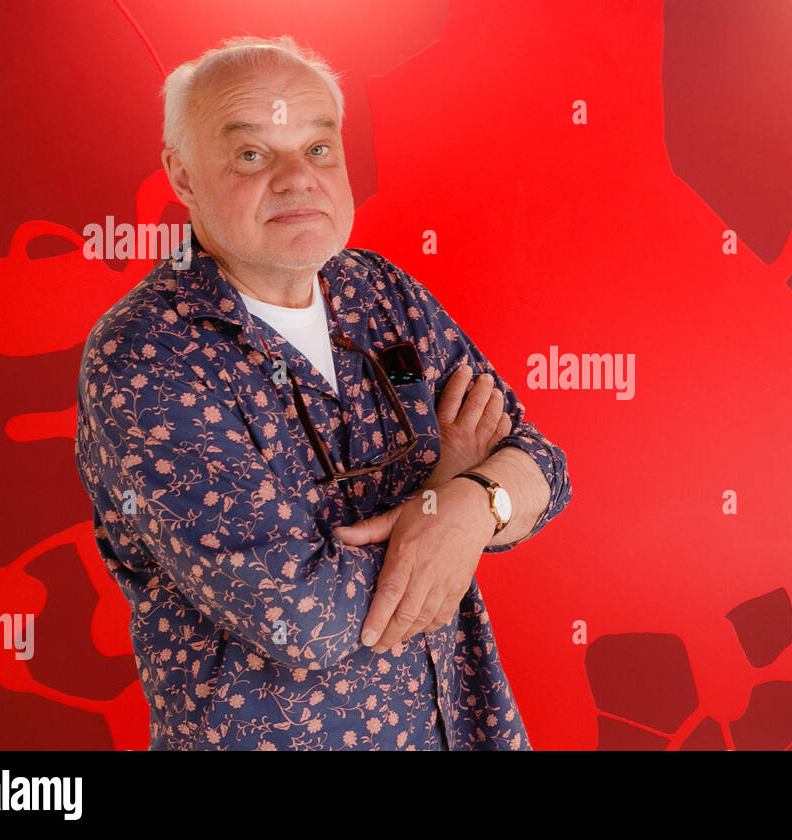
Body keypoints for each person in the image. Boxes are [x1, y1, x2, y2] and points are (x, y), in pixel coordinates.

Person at [74, 35, 571, 750]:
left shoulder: (381, 291)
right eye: (252, 154)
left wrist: (473, 501)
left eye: (317, 148)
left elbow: (542, 467)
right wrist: (447, 493)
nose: (297, 179)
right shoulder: (149, 357)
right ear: (182, 176)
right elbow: (300, 615)